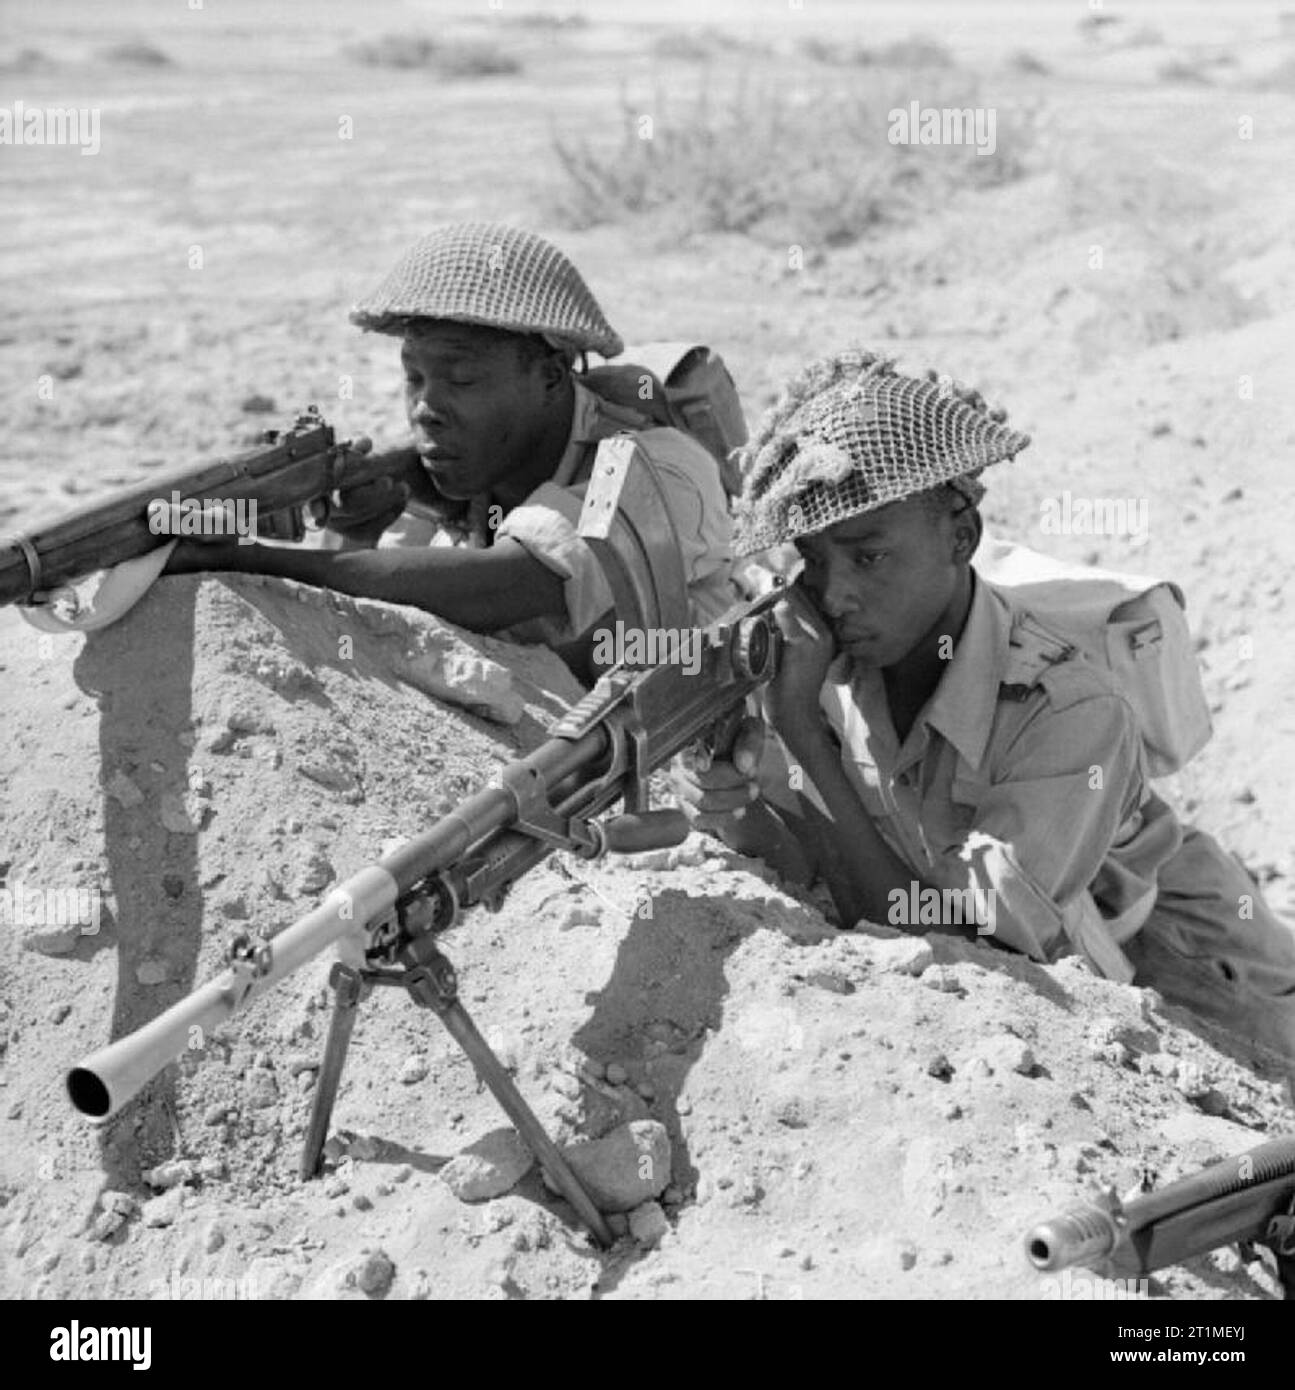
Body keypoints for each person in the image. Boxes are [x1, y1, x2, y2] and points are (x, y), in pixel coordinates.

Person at [673, 349, 1295, 1087]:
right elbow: (834, 868)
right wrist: (744, 815)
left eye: (868, 558)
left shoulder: (1071, 708)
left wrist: (803, 737)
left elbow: (967, 951)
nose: (834, 594)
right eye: (813, 559)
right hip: (1035, 947)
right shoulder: (823, 656)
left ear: (959, 538)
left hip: (1187, 959)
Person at [162, 222, 735, 677]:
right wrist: (355, 528)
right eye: (414, 379)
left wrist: (250, 560)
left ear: (552, 377)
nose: (424, 408)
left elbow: (503, 587)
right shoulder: (461, 467)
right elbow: (365, 626)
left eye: (461, 380)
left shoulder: (657, 467)